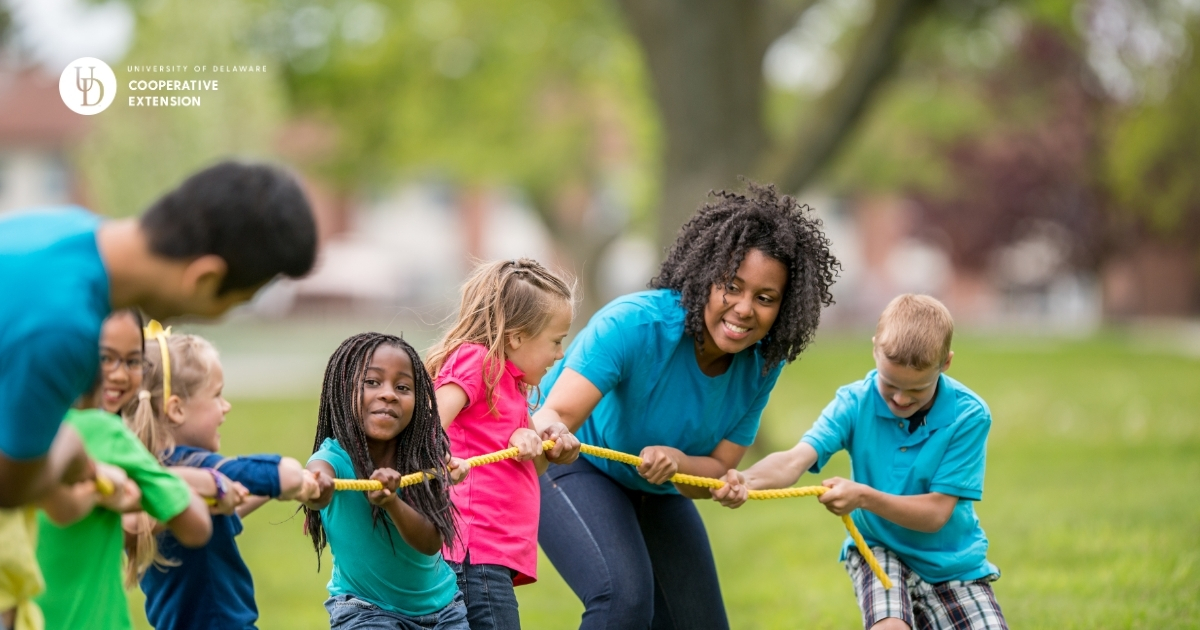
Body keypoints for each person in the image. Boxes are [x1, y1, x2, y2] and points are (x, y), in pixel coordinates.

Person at [532, 182, 840, 629]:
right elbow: (554, 417)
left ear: (784, 307)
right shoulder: (635, 324)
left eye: (765, 298)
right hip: (576, 467)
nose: (743, 309)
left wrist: (679, 463)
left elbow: (717, 469)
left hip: (658, 488)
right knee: (624, 600)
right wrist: (553, 438)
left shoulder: (761, 363)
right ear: (706, 278)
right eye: (731, 287)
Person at [0, 160, 318, 508]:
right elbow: (10, 487)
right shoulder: (64, 327)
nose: (219, 318)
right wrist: (74, 451)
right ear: (205, 278)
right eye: (236, 302)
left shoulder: (59, 226)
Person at [712, 294, 1008, 630]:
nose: (899, 399)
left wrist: (863, 496)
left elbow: (936, 514)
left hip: (953, 562)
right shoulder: (853, 402)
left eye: (917, 390)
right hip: (878, 549)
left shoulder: (969, 415)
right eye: (890, 384)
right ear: (875, 351)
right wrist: (745, 481)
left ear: (946, 363)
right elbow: (795, 459)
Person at [124, 327, 328, 630]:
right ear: (176, 409)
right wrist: (289, 477)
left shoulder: (153, 474)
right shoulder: (197, 467)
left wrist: (284, 490)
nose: (226, 406)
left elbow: (220, 507)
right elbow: (279, 473)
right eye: (217, 395)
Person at [426, 258, 581, 629]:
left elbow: (532, 466)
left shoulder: (512, 383)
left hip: (490, 556)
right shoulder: (477, 361)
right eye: (556, 341)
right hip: (471, 551)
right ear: (516, 338)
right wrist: (448, 460)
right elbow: (428, 428)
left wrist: (546, 446)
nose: (560, 354)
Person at [303, 333, 469, 629]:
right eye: (372, 382)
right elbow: (318, 485)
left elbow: (430, 542)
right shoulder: (333, 458)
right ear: (343, 390)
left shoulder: (423, 460)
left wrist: (392, 502)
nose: (389, 394)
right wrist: (315, 487)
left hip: (445, 612)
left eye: (403, 387)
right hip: (365, 610)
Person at [35, 406, 213, 630]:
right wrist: (214, 485)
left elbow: (61, 509)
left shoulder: (18, 433)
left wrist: (97, 490)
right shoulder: (97, 430)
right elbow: (196, 527)